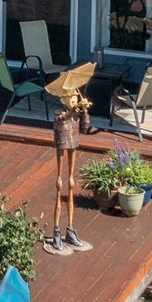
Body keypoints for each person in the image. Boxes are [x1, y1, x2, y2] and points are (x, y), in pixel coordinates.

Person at [46, 87, 94, 255]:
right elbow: (62, 119)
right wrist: (75, 109)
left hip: (73, 143)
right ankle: (57, 232)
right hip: (61, 144)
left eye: (75, 97)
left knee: (71, 183)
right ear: (63, 99)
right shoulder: (60, 113)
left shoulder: (75, 114)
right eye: (71, 97)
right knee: (60, 184)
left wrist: (85, 111)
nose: (74, 99)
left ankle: (71, 230)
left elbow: (85, 127)